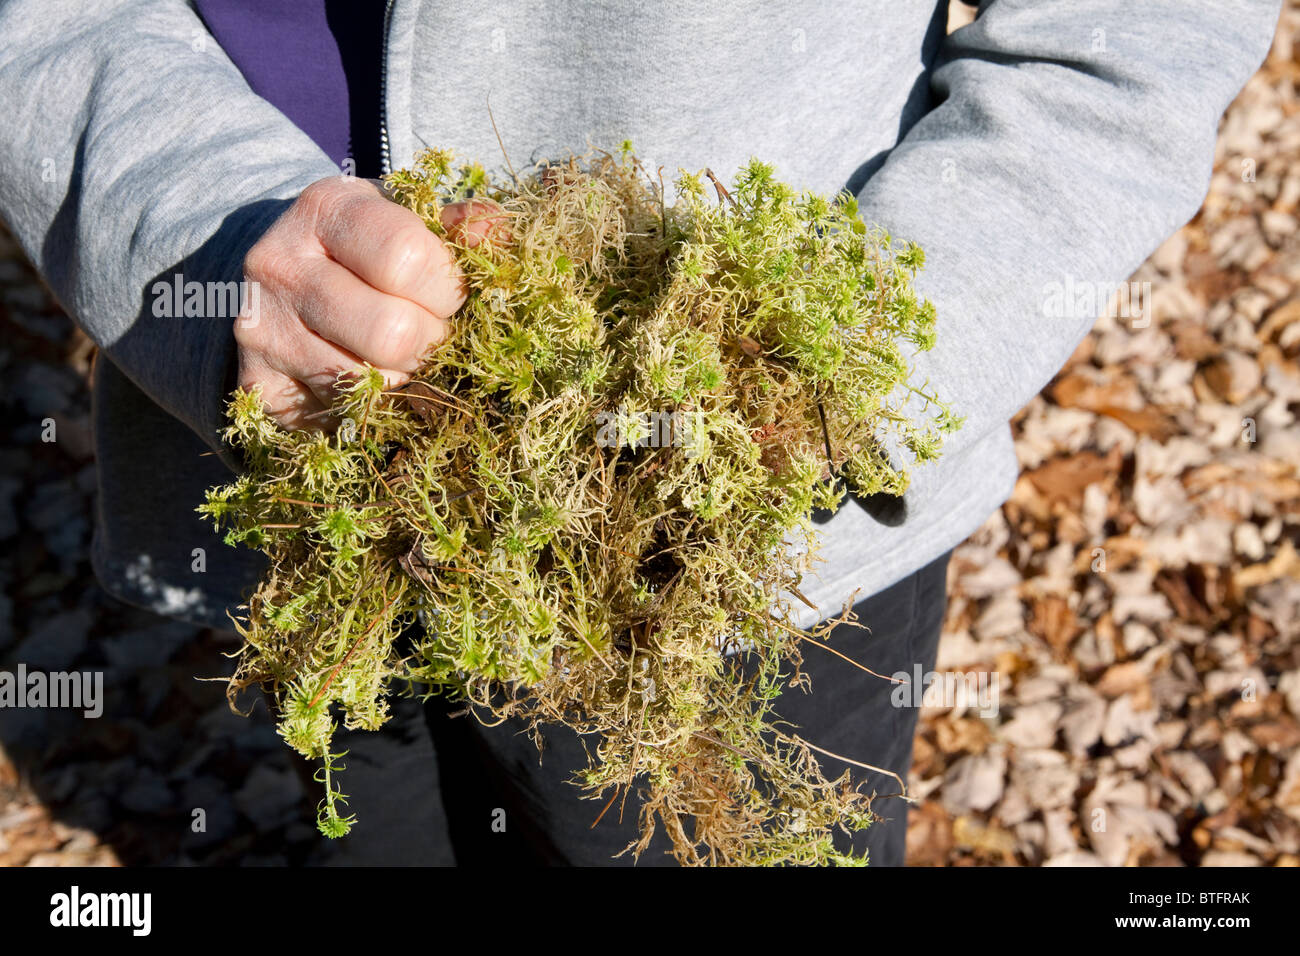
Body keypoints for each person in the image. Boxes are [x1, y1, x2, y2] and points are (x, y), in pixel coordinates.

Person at [0, 0, 1279, 865]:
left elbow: (1138, 25)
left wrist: (846, 365)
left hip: (737, 549)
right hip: (300, 496)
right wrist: (198, 227)